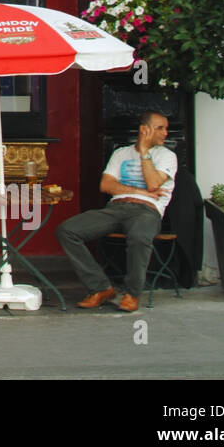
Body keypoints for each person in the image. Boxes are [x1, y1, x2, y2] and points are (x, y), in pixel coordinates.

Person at [55, 110, 178, 313]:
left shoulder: (167, 156)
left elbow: (154, 183)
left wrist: (145, 152)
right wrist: (139, 190)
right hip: (116, 207)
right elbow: (106, 185)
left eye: (166, 128)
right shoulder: (121, 153)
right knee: (67, 230)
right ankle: (101, 288)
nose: (165, 133)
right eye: (160, 128)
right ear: (143, 130)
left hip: (147, 211)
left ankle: (132, 294)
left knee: (139, 237)